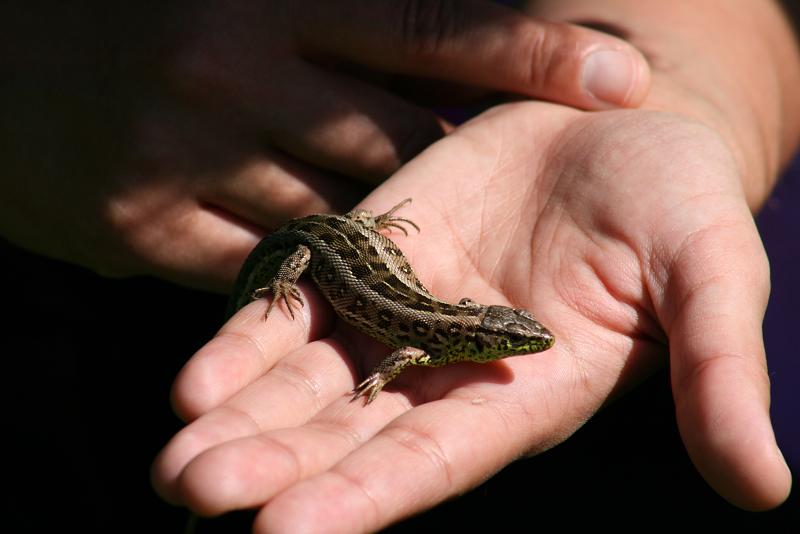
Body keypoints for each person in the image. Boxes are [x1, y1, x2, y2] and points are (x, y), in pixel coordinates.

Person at [4, 1, 798, 532]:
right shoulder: (430, 342)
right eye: (514, 339)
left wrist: (698, 100)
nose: (521, 345)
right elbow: (401, 351)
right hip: (90, 332)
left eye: (516, 336)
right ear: (481, 337)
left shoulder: (448, 335)